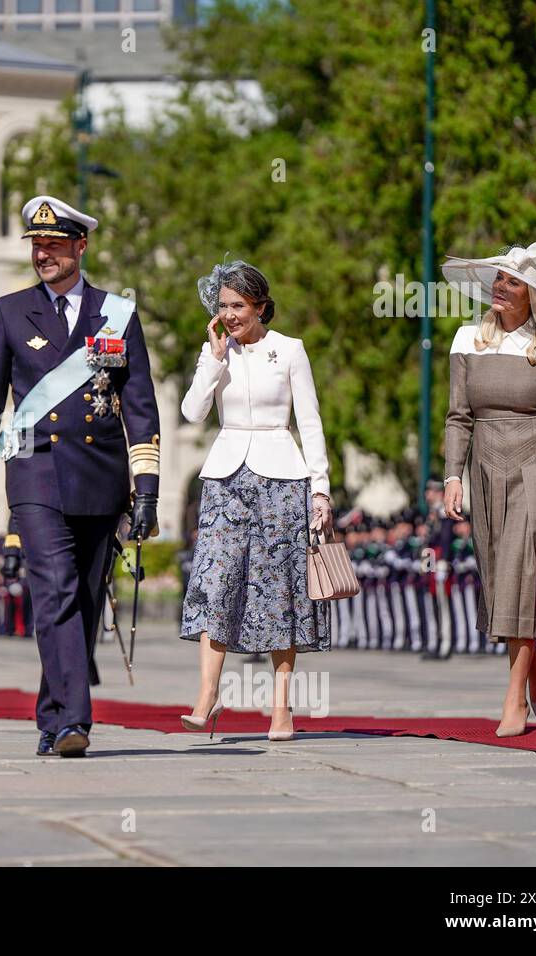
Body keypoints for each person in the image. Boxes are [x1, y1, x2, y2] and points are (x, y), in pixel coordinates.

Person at [0, 195, 161, 758]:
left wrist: (146, 491)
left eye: (53, 245)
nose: (43, 254)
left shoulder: (118, 314)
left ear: (81, 246)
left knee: (86, 601)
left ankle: (51, 713)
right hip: (35, 472)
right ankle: (75, 719)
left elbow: (141, 406)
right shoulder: (8, 312)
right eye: (36, 245)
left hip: (101, 476)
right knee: (55, 590)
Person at [178, 260, 332, 742]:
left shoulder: (289, 350)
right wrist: (213, 359)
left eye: (238, 306)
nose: (229, 314)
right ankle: (208, 694)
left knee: (277, 591)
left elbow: (309, 420)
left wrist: (321, 487)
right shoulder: (217, 352)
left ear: (261, 306)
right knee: (214, 580)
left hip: (282, 479)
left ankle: (281, 709)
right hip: (225, 476)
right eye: (222, 306)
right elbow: (191, 412)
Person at [442, 241, 536, 737]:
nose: (500, 288)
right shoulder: (466, 340)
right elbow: (458, 417)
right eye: (497, 280)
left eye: (512, 282)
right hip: (485, 466)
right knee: (501, 579)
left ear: (533, 296)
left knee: (522, 575)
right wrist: (453, 475)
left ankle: (513, 702)